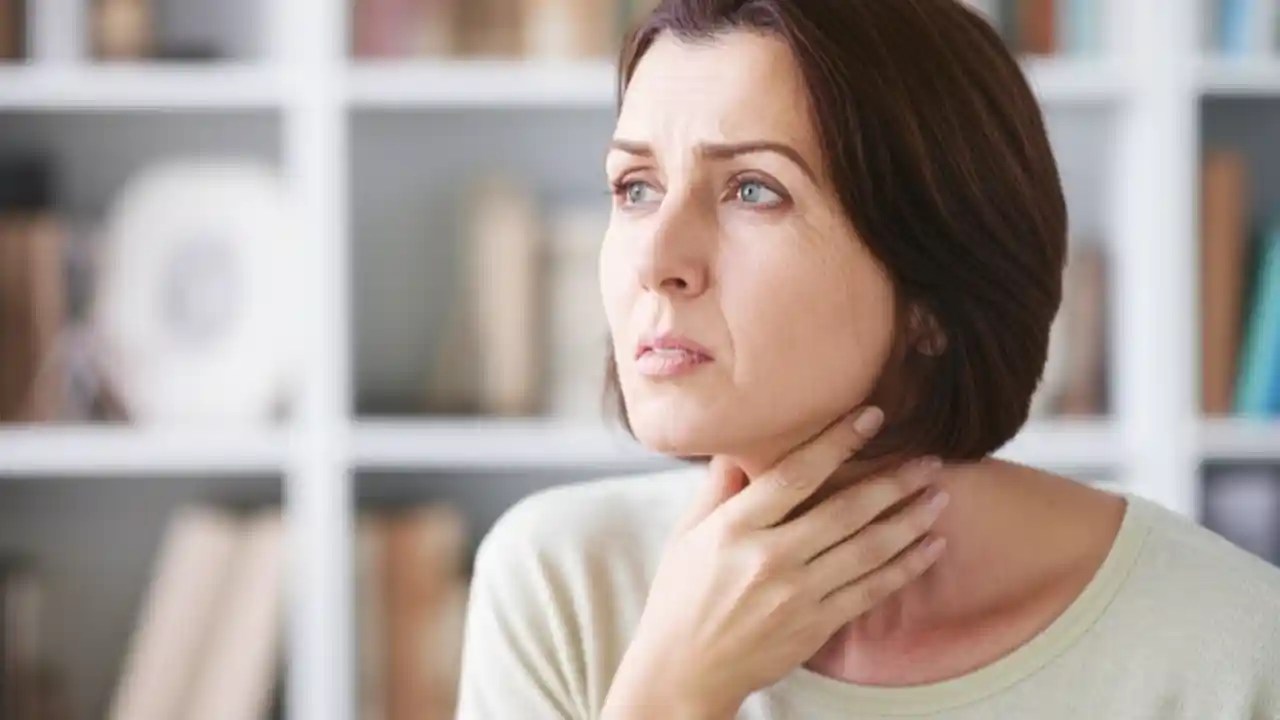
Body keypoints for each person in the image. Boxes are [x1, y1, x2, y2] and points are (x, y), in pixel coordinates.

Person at [455, 1, 1280, 718]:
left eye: (752, 189)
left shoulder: (1236, 650)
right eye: (635, 187)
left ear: (931, 289)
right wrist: (669, 695)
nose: (655, 258)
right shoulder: (563, 585)